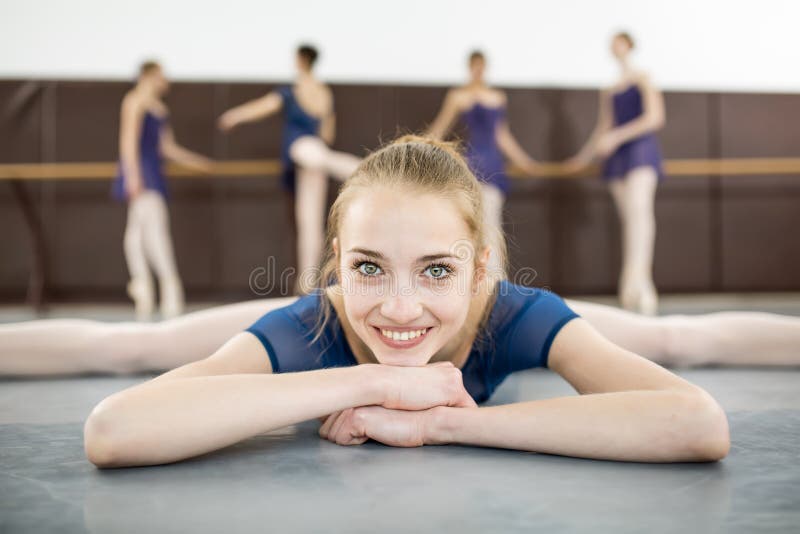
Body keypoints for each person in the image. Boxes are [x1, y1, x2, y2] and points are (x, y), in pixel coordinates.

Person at [82, 136, 730, 467]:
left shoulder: (514, 312)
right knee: (138, 345)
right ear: (337, 263)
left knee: (675, 338)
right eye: (369, 266)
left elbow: (697, 424)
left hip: (476, 320)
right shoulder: (313, 322)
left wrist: (441, 422)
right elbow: (114, 430)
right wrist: (362, 384)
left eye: (435, 269)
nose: (399, 306)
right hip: (340, 332)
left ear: (478, 270)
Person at [217, 44, 361, 294]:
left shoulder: (292, 91)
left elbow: (261, 107)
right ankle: (306, 283)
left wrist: (234, 116)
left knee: (311, 206)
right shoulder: (324, 93)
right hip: (313, 154)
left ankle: (358, 168)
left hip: (304, 149)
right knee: (309, 222)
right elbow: (328, 133)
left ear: (300, 61)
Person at [564, 32, 665, 315]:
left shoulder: (643, 77)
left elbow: (655, 117)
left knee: (640, 214)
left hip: (641, 151)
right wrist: (583, 157)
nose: (615, 47)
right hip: (618, 158)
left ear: (630, 45)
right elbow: (603, 128)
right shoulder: (609, 89)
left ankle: (640, 285)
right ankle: (632, 287)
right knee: (630, 220)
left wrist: (618, 137)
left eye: (620, 42)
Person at [113, 61, 213, 321]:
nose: (165, 80)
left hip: (152, 172)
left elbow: (167, 148)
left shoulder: (159, 108)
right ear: (148, 76)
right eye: (161, 76)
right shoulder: (134, 101)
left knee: (138, 232)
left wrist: (196, 162)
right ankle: (161, 287)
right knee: (145, 232)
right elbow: (128, 141)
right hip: (141, 173)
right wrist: (133, 176)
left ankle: (147, 286)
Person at [427, 50, 542, 275]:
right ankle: (475, 278)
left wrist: (524, 161)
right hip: (471, 163)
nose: (478, 70)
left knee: (492, 225)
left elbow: (502, 135)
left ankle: (496, 281)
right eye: (474, 66)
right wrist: (415, 145)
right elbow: (439, 129)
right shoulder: (458, 96)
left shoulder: (497, 96)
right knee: (470, 225)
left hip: (492, 163)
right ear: (469, 67)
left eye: (481, 66)